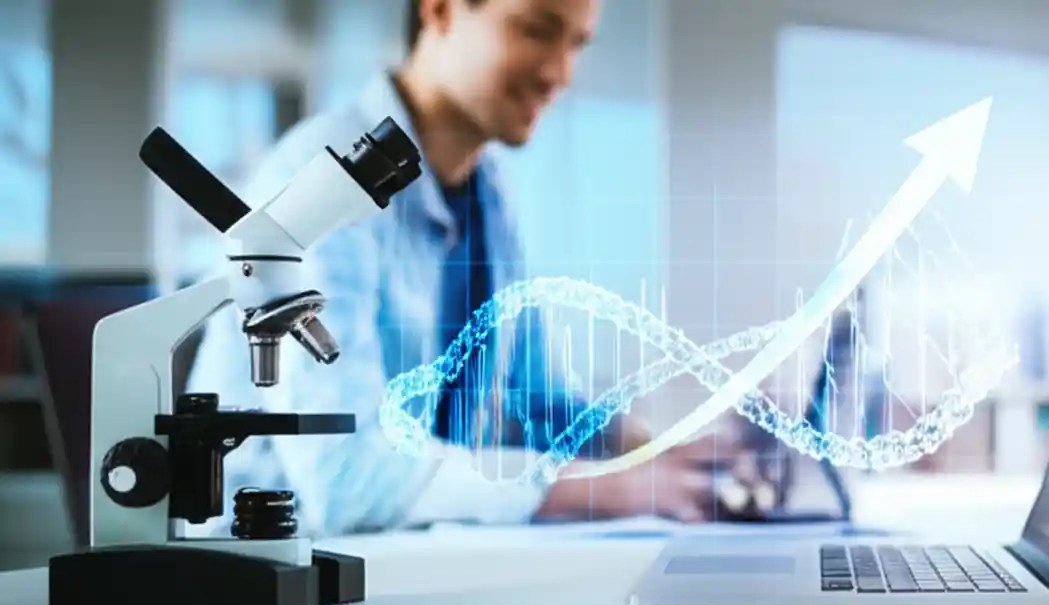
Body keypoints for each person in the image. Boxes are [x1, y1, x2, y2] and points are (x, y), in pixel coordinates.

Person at [186, 0, 779, 538]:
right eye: (536, 30)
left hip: (409, 580)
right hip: (272, 597)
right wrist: (616, 488)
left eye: (575, 45)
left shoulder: (487, 193)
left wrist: (672, 454)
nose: (559, 74)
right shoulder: (319, 186)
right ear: (440, 10)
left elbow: (533, 403)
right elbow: (346, 482)